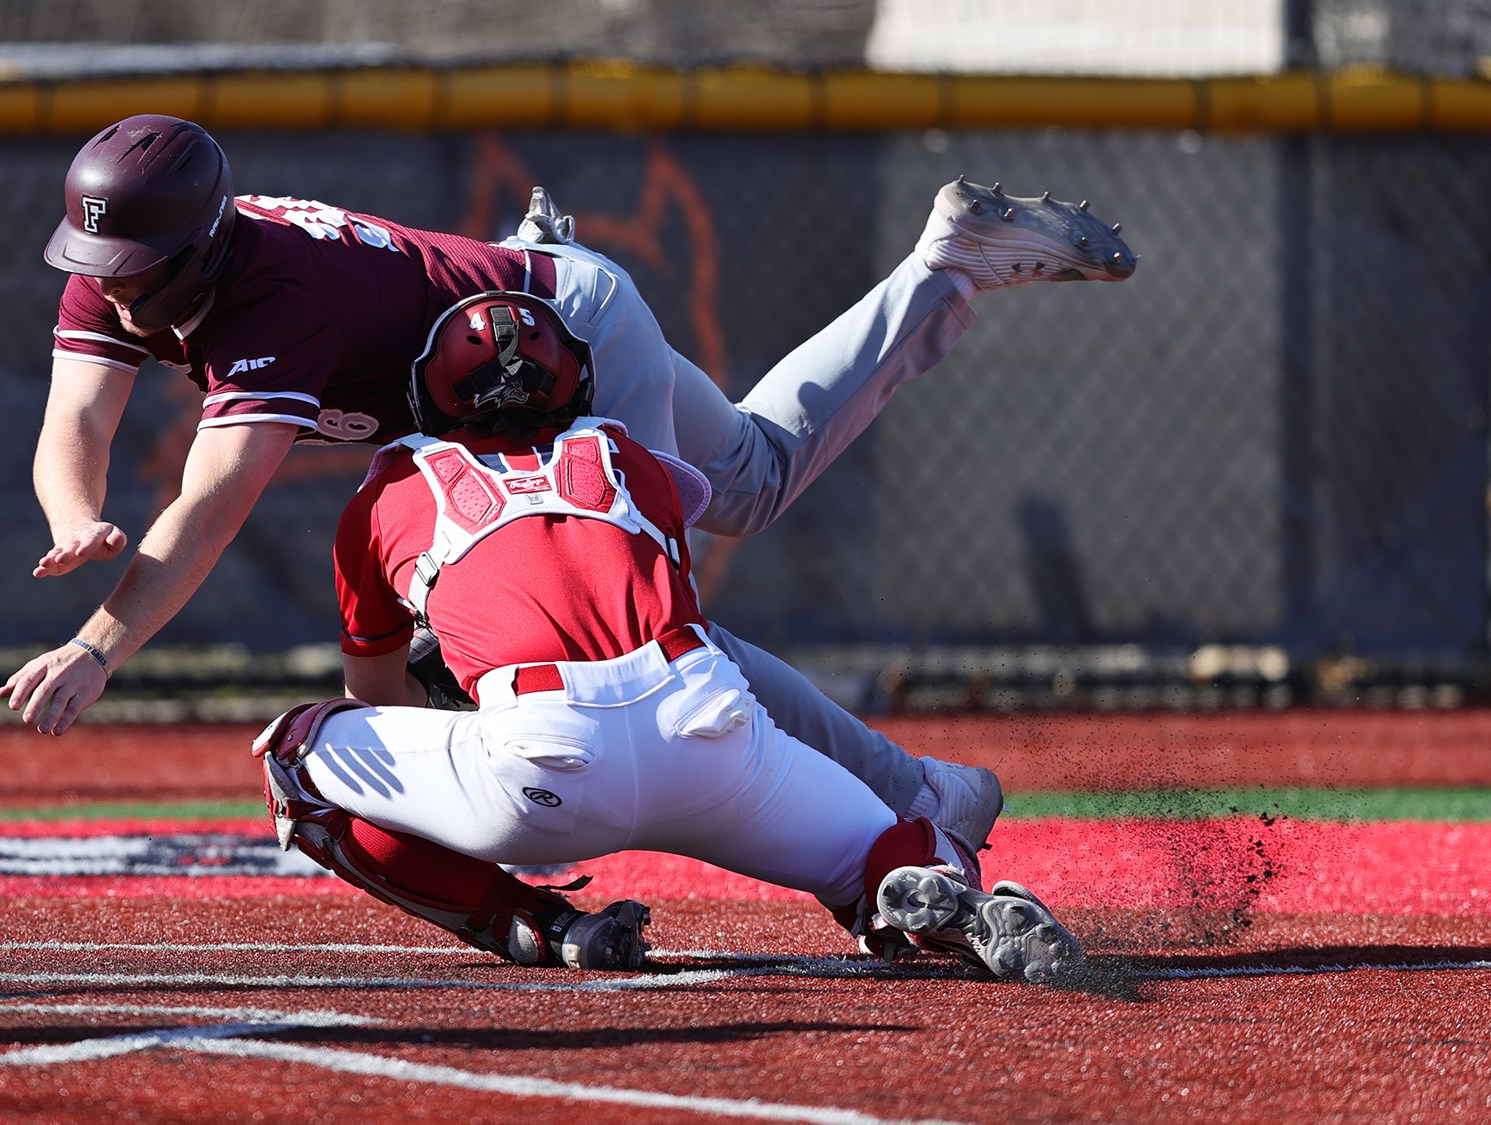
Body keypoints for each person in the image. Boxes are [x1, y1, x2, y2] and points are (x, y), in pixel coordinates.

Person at [0, 113, 1137, 857]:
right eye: (99, 269)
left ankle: (918, 800)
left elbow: (208, 507)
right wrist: (75, 516)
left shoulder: (274, 300)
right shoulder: (127, 266)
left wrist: (98, 648)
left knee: (636, 634)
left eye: (138, 275)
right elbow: (72, 420)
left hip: (559, 327)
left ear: (202, 246)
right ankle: (943, 268)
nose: (116, 297)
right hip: (528, 315)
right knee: (747, 477)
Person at [249, 290, 1086, 981]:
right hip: (708, 727)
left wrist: (453, 685)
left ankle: (540, 928)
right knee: (896, 839)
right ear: (574, 381)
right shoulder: (625, 454)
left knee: (295, 753)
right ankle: (924, 886)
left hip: (542, 761)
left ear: (431, 395)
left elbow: (376, 696)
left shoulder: (391, 489)